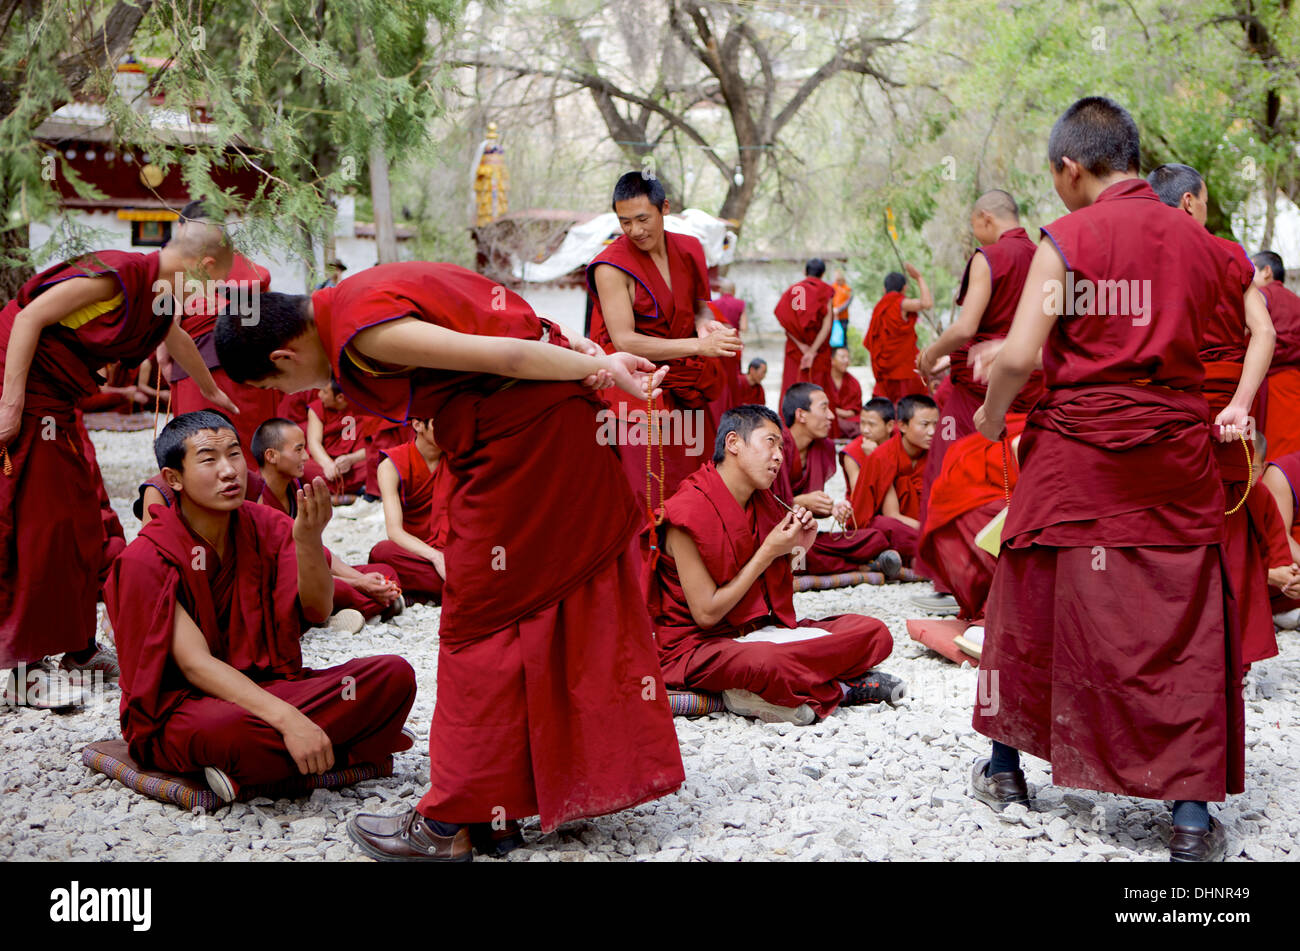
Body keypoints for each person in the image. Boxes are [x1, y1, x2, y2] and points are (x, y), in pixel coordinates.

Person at [214, 259, 684, 861]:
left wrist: (600, 368)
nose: (297, 393)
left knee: (476, 625)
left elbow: (506, 356)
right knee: (518, 615)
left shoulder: (363, 333)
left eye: (280, 389)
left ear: (282, 358)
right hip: (533, 436)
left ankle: (450, 822)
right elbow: (515, 320)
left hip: (527, 448)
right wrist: (592, 357)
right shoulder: (364, 286)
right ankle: (503, 806)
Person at [969, 96, 1246, 863]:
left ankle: (1004, 770)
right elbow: (1231, 328)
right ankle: (1189, 817)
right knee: (1178, 615)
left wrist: (993, 413)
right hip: (1172, 455)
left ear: (1070, 166)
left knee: (1028, 595)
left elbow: (1022, 355)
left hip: (1077, 453)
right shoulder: (1198, 241)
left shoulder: (1070, 236)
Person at [106, 412, 417, 804]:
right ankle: (337, 749)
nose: (228, 470)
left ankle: (257, 767)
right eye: (208, 459)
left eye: (234, 455)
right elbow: (194, 665)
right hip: (187, 708)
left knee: (393, 675)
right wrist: (288, 720)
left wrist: (308, 540)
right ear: (173, 479)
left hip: (269, 688)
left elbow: (319, 610)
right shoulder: (147, 558)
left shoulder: (264, 524)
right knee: (230, 729)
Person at [0, 221, 237, 709]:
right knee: (43, 526)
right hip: (26, 394)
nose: (209, 294)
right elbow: (27, 320)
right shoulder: (117, 274)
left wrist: (211, 390)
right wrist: (10, 404)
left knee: (89, 518)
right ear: (204, 266)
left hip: (59, 403)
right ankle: (25, 670)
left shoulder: (155, 295)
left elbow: (175, 339)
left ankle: (79, 649)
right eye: (214, 283)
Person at [650, 404, 903, 724]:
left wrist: (799, 549)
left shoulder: (762, 501)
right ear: (733, 443)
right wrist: (769, 551)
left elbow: (774, 596)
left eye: (782, 446)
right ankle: (840, 688)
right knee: (768, 662)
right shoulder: (685, 512)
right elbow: (707, 614)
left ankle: (771, 692)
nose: (779, 455)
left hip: (758, 632)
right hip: (699, 648)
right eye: (770, 442)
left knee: (874, 632)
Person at [1148, 163, 1278, 666]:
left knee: (1163, 527)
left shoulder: (1142, 257)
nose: (1207, 209)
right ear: (1187, 202)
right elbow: (1263, 334)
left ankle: (1170, 652)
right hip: (1223, 401)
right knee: (1230, 526)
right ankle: (1231, 653)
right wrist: (1241, 404)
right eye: (1205, 199)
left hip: (1163, 407)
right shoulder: (1227, 254)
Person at [587, 172, 738, 514]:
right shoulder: (611, 267)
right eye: (624, 222)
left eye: (643, 219)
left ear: (664, 208)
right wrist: (698, 348)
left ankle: (688, 565)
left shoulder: (689, 249)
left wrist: (704, 326)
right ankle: (645, 566)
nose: (635, 230)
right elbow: (624, 340)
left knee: (694, 485)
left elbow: (699, 306)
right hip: (635, 388)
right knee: (648, 495)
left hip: (686, 384)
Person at [916, 191, 1043, 514]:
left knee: (949, 474)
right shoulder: (1047, 257)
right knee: (1016, 474)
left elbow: (966, 328)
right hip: (1032, 383)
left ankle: (956, 558)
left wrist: (929, 356)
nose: (976, 235)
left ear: (986, 218)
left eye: (975, 226)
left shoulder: (989, 257)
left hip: (983, 387)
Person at [250, 417, 403, 623]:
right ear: (271, 455)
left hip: (314, 571)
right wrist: (358, 584)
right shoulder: (256, 504)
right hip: (287, 580)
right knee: (337, 588)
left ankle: (367, 604)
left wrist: (361, 578)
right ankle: (379, 602)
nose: (306, 457)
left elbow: (317, 550)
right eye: (298, 450)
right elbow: (285, 571)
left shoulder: (295, 488)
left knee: (384, 572)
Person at [165, 202, 280, 474]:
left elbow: (168, 332)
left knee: (201, 448)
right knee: (252, 448)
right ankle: (261, 509)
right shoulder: (254, 270)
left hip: (197, 368)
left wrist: (171, 370)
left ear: (186, 229)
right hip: (253, 371)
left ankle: (206, 508)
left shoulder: (182, 270)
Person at [774, 383, 903, 578]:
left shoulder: (822, 448)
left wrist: (831, 509)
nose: (832, 416)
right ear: (801, 415)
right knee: (793, 552)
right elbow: (761, 507)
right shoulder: (774, 447)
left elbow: (810, 511)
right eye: (824, 408)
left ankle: (845, 564)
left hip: (803, 536)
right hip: (774, 536)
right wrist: (799, 502)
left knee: (875, 537)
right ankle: (862, 566)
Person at [917, 417, 1025, 620]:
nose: (931, 431)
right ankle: (998, 612)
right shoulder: (1023, 443)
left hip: (995, 491)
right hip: (970, 507)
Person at [368, 418, 455, 605]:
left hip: (455, 550)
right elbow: (394, 531)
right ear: (417, 425)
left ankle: (426, 592)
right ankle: (462, 586)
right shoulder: (391, 465)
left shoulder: (458, 458)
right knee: (382, 552)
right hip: (418, 552)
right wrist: (435, 556)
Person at [848, 393, 939, 561]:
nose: (932, 432)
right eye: (925, 425)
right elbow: (892, 515)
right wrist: (928, 528)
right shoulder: (883, 457)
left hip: (923, 524)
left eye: (935, 424)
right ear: (902, 425)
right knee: (882, 529)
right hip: (897, 525)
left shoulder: (936, 456)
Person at [1252, 251, 1300, 461]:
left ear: (1267, 271)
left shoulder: (1262, 296)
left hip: (1272, 385)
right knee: (1291, 452)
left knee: (1270, 451)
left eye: (1252, 269)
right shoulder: (1295, 300)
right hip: (1294, 384)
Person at [864, 265, 932, 401]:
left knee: (888, 409)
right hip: (904, 369)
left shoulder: (879, 307)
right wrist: (919, 278)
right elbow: (927, 303)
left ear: (884, 289)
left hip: (884, 368)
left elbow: (871, 339)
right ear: (904, 288)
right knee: (909, 408)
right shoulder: (901, 303)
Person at [774, 258, 835, 397]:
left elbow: (785, 321)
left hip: (797, 350)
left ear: (804, 272)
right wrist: (812, 351)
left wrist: (802, 346)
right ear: (823, 274)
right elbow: (827, 324)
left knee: (793, 387)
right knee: (818, 390)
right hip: (818, 351)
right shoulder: (826, 290)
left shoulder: (794, 290)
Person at [306, 382, 368, 501]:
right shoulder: (316, 409)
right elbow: (314, 442)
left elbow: (371, 447)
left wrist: (351, 459)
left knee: (377, 463)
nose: (319, 395)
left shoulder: (362, 407)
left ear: (340, 397)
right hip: (324, 466)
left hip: (352, 465)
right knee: (303, 467)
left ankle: (333, 495)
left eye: (324, 392)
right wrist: (327, 464)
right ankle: (353, 494)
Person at [840, 396, 895, 494]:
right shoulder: (852, 452)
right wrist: (872, 459)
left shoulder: (899, 442)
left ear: (889, 426)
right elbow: (858, 494)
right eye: (862, 423)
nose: (865, 430)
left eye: (872, 425)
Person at [825, 346, 863, 439]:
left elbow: (854, 411)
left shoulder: (853, 382)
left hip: (849, 420)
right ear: (832, 360)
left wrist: (836, 411)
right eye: (842, 357)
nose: (846, 361)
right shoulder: (823, 380)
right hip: (827, 417)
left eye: (848, 358)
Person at [831, 269, 853, 343]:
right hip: (832, 317)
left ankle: (844, 353)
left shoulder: (847, 289)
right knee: (833, 338)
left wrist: (838, 310)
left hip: (843, 317)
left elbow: (847, 302)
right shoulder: (832, 287)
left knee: (843, 339)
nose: (837, 281)